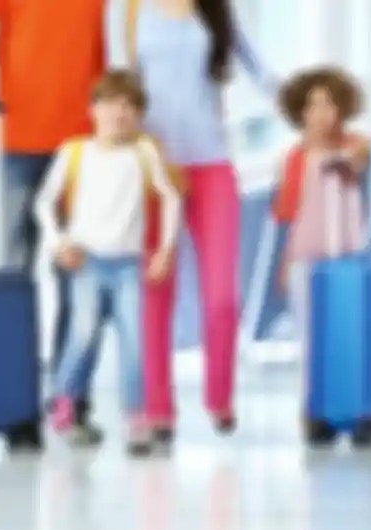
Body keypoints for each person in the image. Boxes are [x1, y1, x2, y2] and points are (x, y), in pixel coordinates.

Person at [105, 0, 278, 441]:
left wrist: (315, 113)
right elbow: (120, 89)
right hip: (153, 166)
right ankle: (158, 409)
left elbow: (261, 72)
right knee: (155, 293)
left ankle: (220, 399)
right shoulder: (130, 11)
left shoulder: (215, 10)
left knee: (222, 295)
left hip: (212, 164)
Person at [0, 0, 108, 425]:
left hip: (82, 140)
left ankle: (70, 395)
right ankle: (7, 389)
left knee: (78, 273)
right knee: (8, 269)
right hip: (13, 136)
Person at [36, 71, 183, 455]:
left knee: (135, 342)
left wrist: (165, 249)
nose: (121, 113)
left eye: (130, 107)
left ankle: (136, 419)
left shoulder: (144, 154)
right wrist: (58, 243)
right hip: (87, 261)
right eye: (112, 104)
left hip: (128, 265)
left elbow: (171, 197)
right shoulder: (75, 152)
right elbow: (43, 202)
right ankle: (63, 402)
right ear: (94, 109)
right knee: (82, 335)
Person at [272, 67, 369, 422]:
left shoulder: (353, 145)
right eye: (312, 106)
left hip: (345, 253)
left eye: (329, 104)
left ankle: (354, 400)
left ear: (342, 109)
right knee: (311, 336)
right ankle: (315, 406)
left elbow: (359, 160)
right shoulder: (293, 159)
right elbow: (288, 215)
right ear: (300, 113)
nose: (320, 113)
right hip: (303, 256)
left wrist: (343, 158)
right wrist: (284, 264)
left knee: (349, 329)